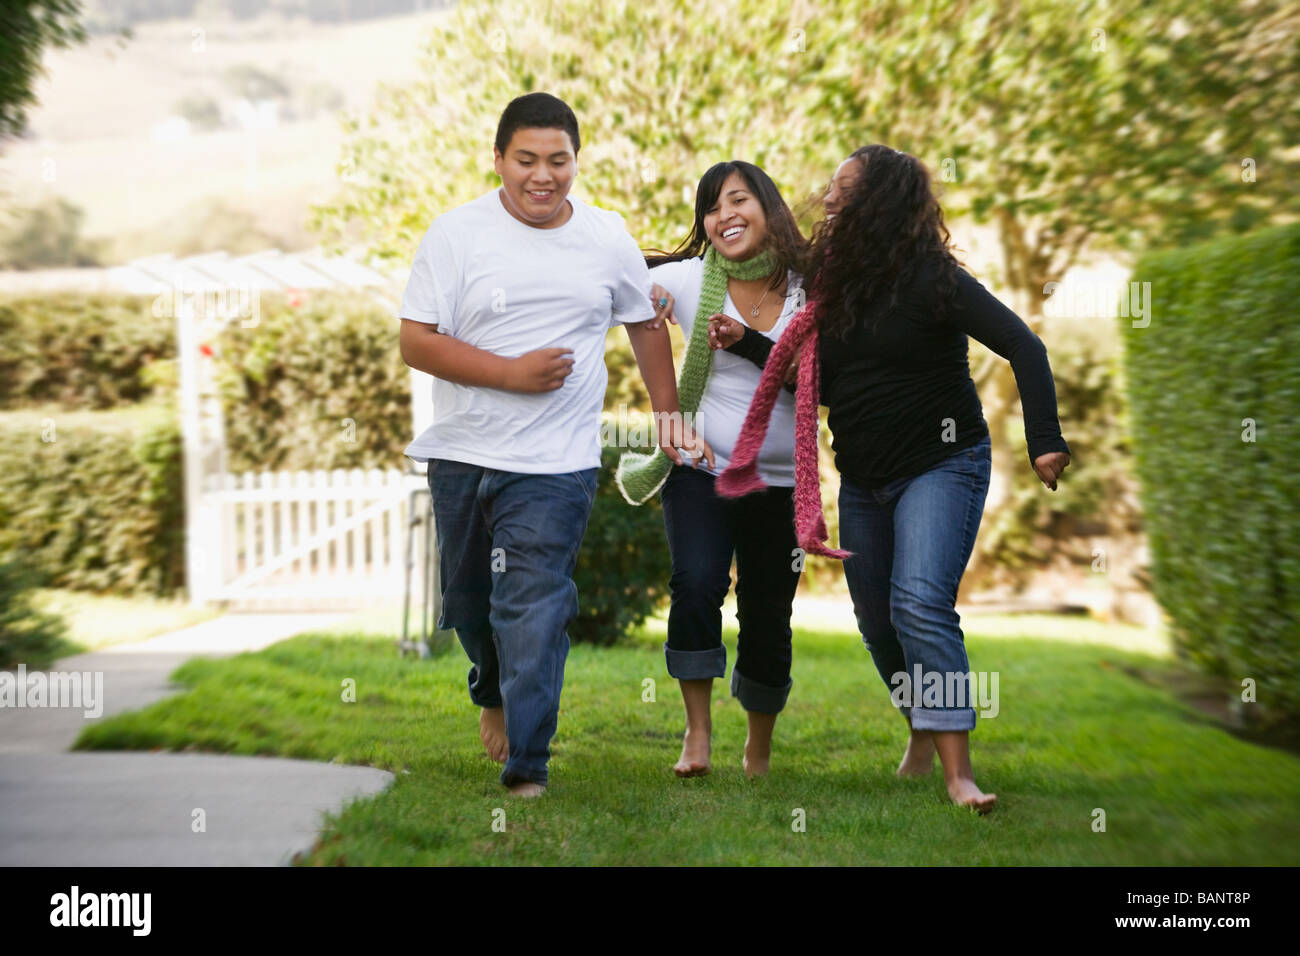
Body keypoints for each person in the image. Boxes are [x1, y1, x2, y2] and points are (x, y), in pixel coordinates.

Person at [714, 145, 1071, 812]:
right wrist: (748, 342)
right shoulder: (832, 284)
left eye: (846, 189)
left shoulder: (935, 279)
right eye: (833, 187)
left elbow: (1025, 345)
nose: (830, 198)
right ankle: (921, 729)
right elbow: (817, 383)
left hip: (942, 464)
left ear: (879, 201)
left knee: (919, 604)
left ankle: (959, 775)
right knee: (878, 622)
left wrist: (1045, 441)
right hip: (865, 480)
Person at [397, 92, 707, 797]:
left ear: (576, 161)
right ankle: (492, 691)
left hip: (555, 463)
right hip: (464, 453)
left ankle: (528, 765)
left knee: (533, 602)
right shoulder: (455, 234)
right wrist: (509, 374)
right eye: (527, 160)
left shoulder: (604, 236)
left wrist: (668, 416)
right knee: (470, 602)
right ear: (499, 159)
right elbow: (416, 341)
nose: (544, 175)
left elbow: (645, 322)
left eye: (558, 160)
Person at [616, 161, 809, 778]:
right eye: (711, 207)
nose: (724, 215)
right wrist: (667, 416)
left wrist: (751, 343)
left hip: (778, 479)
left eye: (738, 200)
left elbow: (817, 382)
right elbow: (627, 296)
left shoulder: (809, 287)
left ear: (769, 208)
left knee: (767, 608)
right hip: (703, 469)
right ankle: (697, 734)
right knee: (697, 584)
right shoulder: (692, 280)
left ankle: (758, 745)